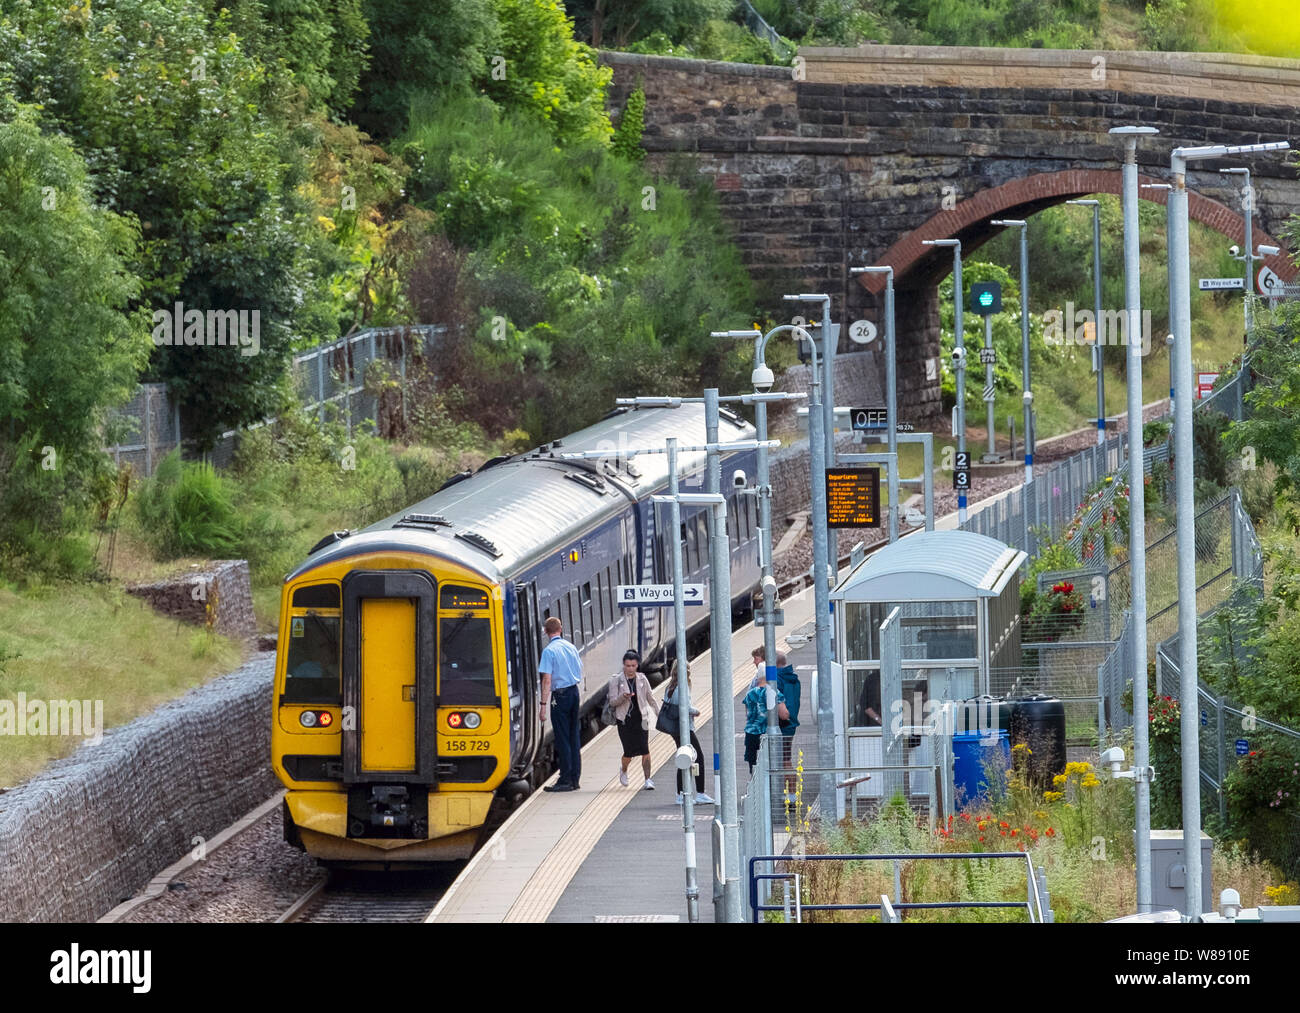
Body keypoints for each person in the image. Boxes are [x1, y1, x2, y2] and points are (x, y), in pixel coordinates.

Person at [539, 616, 582, 792]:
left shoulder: (549, 652)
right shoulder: (571, 647)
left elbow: (547, 679)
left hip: (560, 696)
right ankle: (574, 779)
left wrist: (543, 704)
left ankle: (565, 779)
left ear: (545, 631)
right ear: (561, 629)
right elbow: (579, 668)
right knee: (574, 737)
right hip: (574, 692)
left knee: (562, 738)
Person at [663, 660, 714, 806]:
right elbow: (683, 706)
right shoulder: (681, 687)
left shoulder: (670, 686)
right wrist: (695, 711)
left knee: (684, 757)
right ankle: (699, 793)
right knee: (698, 757)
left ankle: (682, 793)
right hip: (683, 728)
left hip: (676, 728)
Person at [607, 649, 659, 789]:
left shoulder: (642, 679)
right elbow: (612, 702)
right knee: (628, 753)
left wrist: (659, 715)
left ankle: (648, 779)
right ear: (623, 665)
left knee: (645, 749)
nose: (630, 669)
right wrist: (622, 697)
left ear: (637, 666)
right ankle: (624, 769)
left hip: (641, 718)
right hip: (624, 720)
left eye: (633, 666)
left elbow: (651, 698)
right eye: (628, 665)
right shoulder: (616, 681)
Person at [742, 667, 788, 775]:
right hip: (768, 733)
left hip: (751, 733)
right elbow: (784, 715)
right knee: (771, 764)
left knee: (754, 764)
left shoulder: (750, 694)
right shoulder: (774, 692)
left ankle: (755, 787)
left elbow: (748, 714)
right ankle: (770, 788)